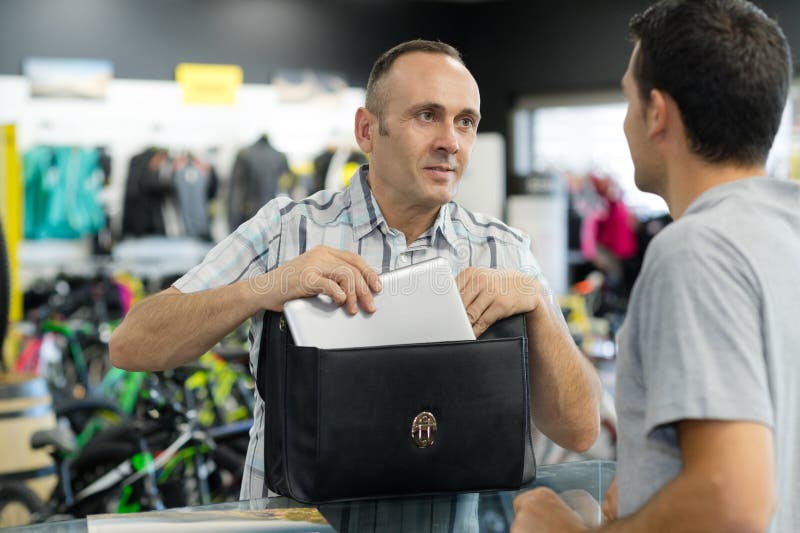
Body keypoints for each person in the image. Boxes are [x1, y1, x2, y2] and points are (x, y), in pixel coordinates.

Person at [110, 39, 602, 500]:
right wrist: (263, 289)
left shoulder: (504, 251)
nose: (450, 141)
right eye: (427, 116)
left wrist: (536, 301)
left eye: (466, 121)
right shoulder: (286, 230)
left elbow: (580, 431)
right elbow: (131, 344)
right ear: (367, 130)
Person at [512, 1, 799, 532]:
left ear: (657, 113)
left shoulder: (698, 249)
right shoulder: (786, 230)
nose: (625, 122)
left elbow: (732, 501)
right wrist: (655, 483)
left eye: (627, 100)